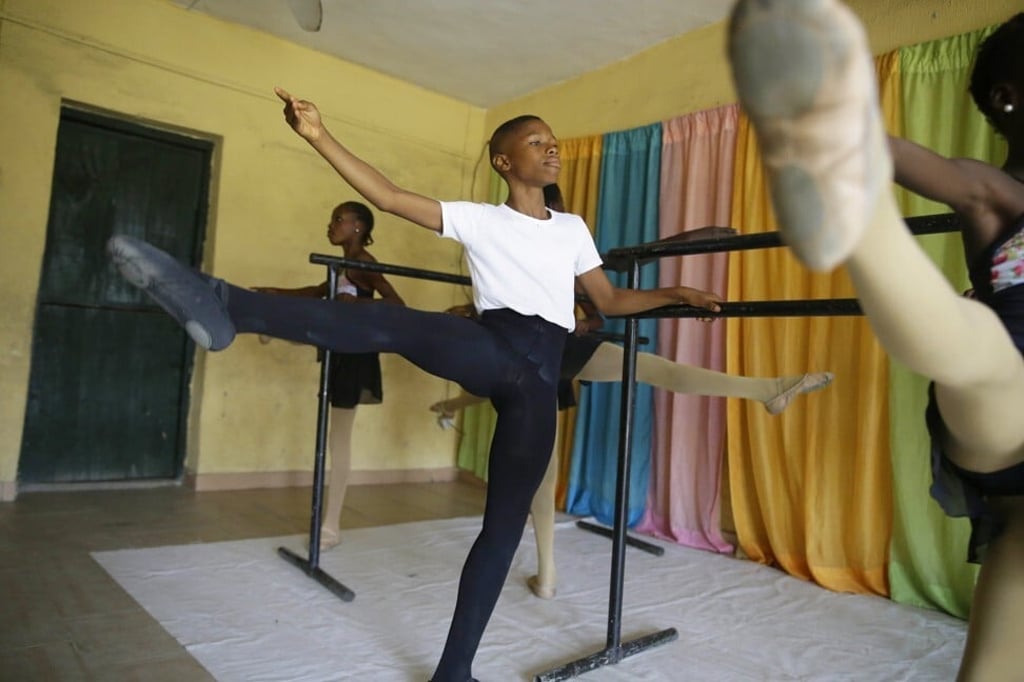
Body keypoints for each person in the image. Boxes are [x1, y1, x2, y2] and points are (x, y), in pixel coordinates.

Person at [105, 89, 724, 681]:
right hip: (494, 347)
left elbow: (609, 300)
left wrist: (675, 293)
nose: (552, 148)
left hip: (538, 382)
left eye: (553, 141)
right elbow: (392, 196)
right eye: (537, 142)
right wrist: (321, 136)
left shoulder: (573, 228)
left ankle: (455, 672)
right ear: (506, 162)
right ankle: (225, 303)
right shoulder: (479, 219)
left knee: (503, 531)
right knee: (390, 322)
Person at [727, 2, 1024, 679]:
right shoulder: (998, 190)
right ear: (1009, 99)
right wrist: (822, 114)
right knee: (984, 360)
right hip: (1009, 402)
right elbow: (917, 160)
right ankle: (852, 204)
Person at [434, 184, 833, 600]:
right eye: (553, 208)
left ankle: (767, 389)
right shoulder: (513, 237)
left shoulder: (564, 239)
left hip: (556, 351)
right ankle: (547, 572)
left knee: (648, 372)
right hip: (532, 353)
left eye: (559, 209)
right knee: (553, 452)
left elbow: (598, 302)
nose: (558, 215)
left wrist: (673, 294)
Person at [255, 201, 404, 551]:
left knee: (339, 441)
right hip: (338, 351)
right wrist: (275, 294)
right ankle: (269, 325)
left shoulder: (365, 265)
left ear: (358, 227)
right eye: (332, 218)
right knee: (334, 438)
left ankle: (332, 528)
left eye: (339, 219)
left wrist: (361, 305)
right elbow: (316, 293)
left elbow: (397, 303)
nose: (331, 225)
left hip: (355, 356)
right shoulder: (339, 266)